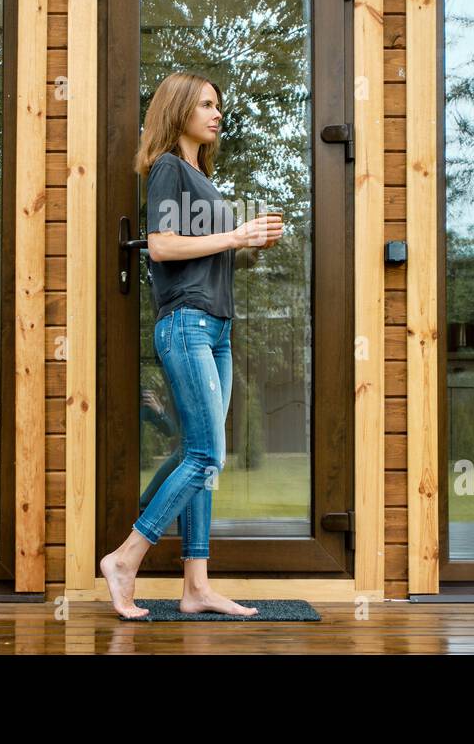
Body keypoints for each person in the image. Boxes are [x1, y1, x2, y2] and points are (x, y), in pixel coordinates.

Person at [100, 71, 283, 619]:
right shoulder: (166, 169)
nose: (216, 112)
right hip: (187, 325)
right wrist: (235, 234)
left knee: (197, 454)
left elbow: (201, 251)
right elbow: (160, 247)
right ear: (178, 109)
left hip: (215, 328)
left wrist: (249, 243)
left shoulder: (201, 177)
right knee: (207, 454)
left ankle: (196, 586)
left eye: (218, 105)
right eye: (205, 103)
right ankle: (125, 558)